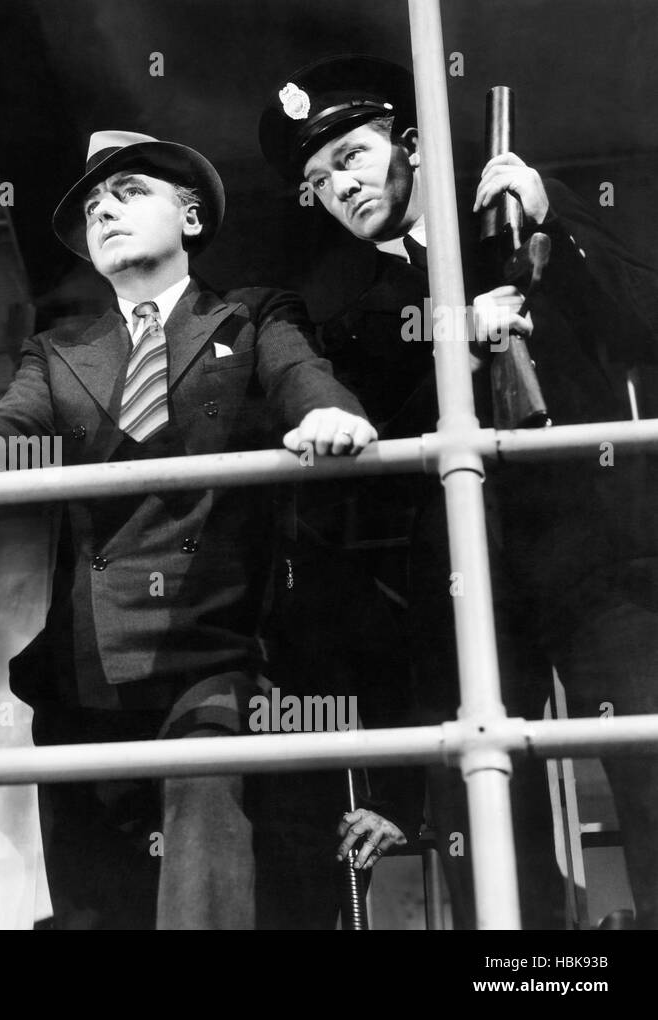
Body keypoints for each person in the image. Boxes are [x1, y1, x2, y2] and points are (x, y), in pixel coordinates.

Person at [0, 131, 376, 929]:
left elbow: (297, 373)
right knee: (92, 898)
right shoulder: (60, 346)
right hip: (87, 661)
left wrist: (328, 415)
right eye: (91, 207)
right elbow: (14, 423)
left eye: (128, 192)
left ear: (189, 215)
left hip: (212, 643)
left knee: (205, 832)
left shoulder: (249, 314)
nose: (103, 209)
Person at [259, 55, 658, 928]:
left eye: (354, 157)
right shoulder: (365, 316)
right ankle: (531, 983)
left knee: (650, 772)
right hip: (469, 578)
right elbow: (374, 437)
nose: (339, 187)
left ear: (411, 142)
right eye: (319, 180)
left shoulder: (528, 223)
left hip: (603, 556)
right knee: (490, 826)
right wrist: (451, 341)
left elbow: (642, 324)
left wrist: (553, 214)